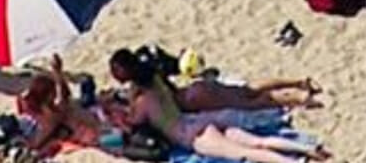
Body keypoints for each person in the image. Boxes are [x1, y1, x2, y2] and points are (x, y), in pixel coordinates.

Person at [110, 50, 330, 163]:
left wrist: (121, 104)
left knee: (246, 151)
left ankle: (294, 159)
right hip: (198, 120)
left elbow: (131, 123)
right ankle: (305, 148)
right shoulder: (156, 79)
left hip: (190, 135)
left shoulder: (141, 101)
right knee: (257, 138)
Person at [21, 54, 105, 152]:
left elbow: (64, 96)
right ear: (48, 96)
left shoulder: (35, 108)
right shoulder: (51, 115)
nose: (55, 94)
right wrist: (57, 72)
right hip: (34, 140)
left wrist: (57, 73)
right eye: (53, 92)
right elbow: (64, 97)